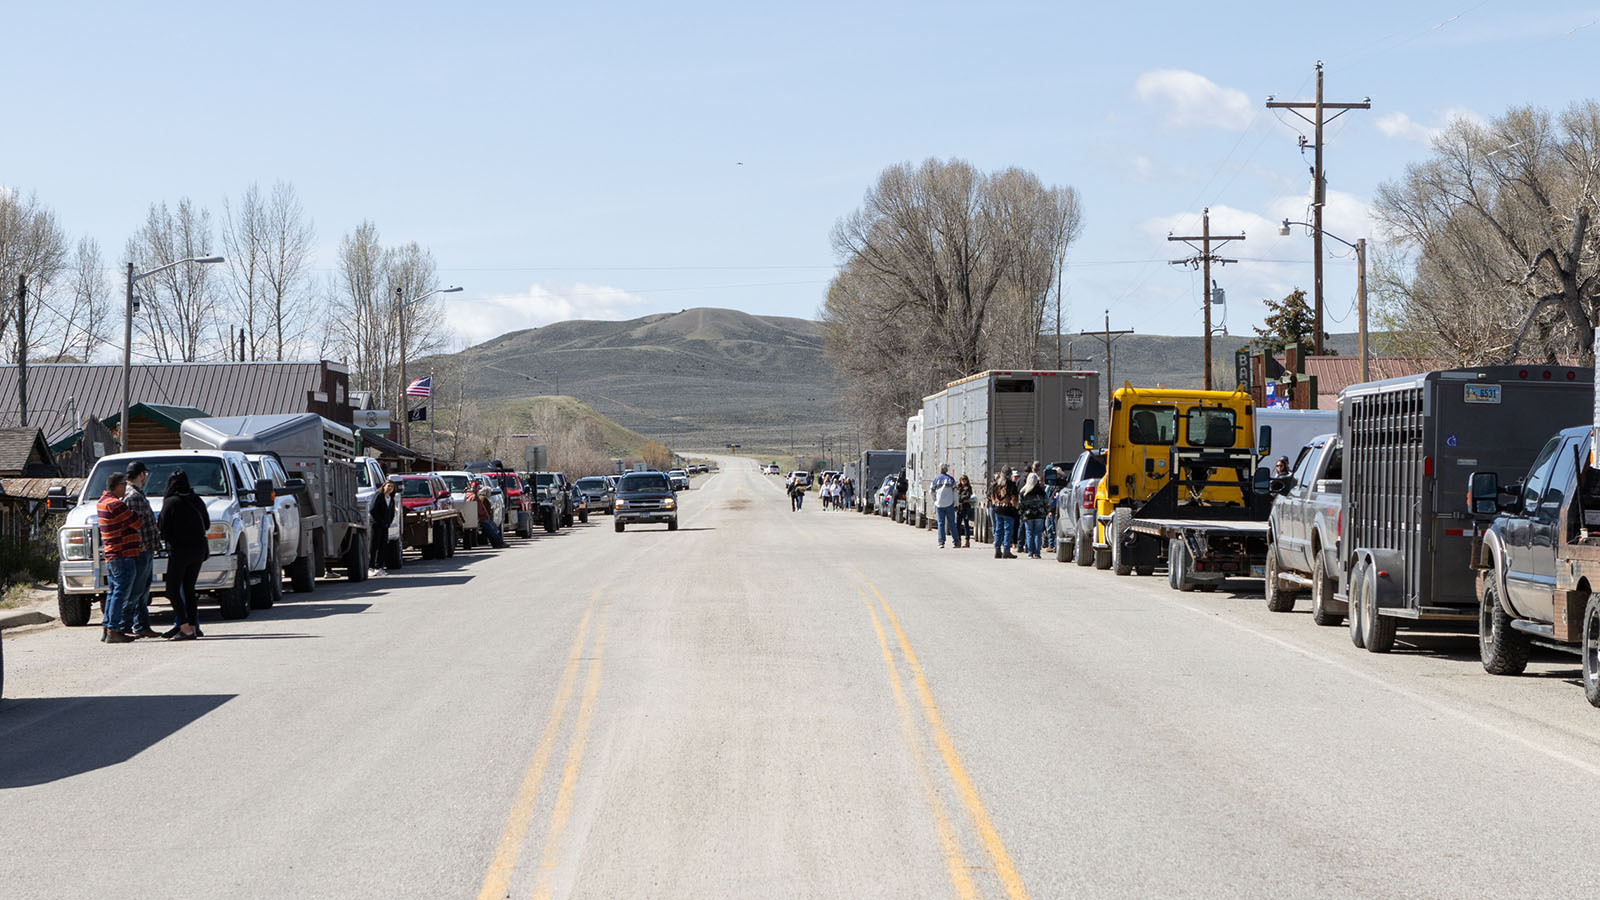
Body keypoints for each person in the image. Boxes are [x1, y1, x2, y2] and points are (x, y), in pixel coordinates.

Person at [158, 469, 209, 640]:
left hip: (180, 551)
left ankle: (185, 627)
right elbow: (207, 524)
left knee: (172, 590)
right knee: (189, 589)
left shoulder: (171, 502)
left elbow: (163, 528)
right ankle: (193, 626)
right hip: (199, 551)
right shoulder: (196, 500)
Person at [96, 472, 142, 643]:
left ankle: (107, 627)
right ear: (116, 485)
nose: (126, 487)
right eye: (124, 484)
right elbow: (136, 522)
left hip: (111, 553)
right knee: (120, 593)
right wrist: (134, 517)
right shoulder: (116, 504)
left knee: (113, 591)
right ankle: (114, 630)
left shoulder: (102, 502)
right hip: (122, 553)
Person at [123, 461, 160, 638]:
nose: (146, 477)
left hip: (145, 549)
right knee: (136, 591)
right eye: (144, 474)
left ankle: (142, 626)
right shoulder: (133, 497)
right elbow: (134, 526)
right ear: (141, 475)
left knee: (143, 591)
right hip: (140, 550)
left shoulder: (136, 494)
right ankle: (125, 626)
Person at [1019, 468, 1050, 559]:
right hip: (1039, 515)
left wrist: (1022, 513)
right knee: (1038, 533)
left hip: (1028, 515)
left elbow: (1020, 503)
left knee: (1029, 533)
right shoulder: (1041, 491)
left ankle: (1030, 552)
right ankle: (1037, 553)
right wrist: (1044, 510)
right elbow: (1046, 501)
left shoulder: (1023, 491)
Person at [989, 470, 1019, 559]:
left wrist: (996, 502)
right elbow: (1015, 499)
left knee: (998, 530)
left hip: (998, 509)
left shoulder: (996, 485)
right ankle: (1006, 551)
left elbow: (991, 496)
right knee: (1007, 530)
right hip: (1008, 510)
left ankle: (997, 550)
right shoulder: (1011, 485)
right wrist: (1015, 506)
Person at [370, 479, 397, 573]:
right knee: (374, 545)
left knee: (383, 546)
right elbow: (372, 510)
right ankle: (371, 567)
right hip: (377, 525)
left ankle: (379, 566)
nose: (390, 488)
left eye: (392, 487)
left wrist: (388, 522)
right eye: (388, 486)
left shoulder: (391, 499)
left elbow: (392, 512)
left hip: (385, 526)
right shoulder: (379, 495)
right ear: (384, 486)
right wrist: (380, 521)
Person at [931, 464, 957, 548]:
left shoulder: (936, 479)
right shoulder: (951, 479)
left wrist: (935, 500)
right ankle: (956, 541)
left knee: (940, 523)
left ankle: (941, 542)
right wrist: (956, 503)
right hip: (949, 503)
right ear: (947, 470)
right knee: (952, 523)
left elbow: (931, 491)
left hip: (939, 504)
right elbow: (955, 493)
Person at [955, 475, 974, 548]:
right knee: (958, 525)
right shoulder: (958, 488)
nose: (963, 481)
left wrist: (961, 498)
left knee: (966, 524)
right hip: (959, 508)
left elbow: (968, 496)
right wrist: (961, 498)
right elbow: (956, 496)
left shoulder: (968, 488)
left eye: (965, 480)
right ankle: (958, 540)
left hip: (966, 507)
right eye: (962, 480)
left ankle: (967, 541)